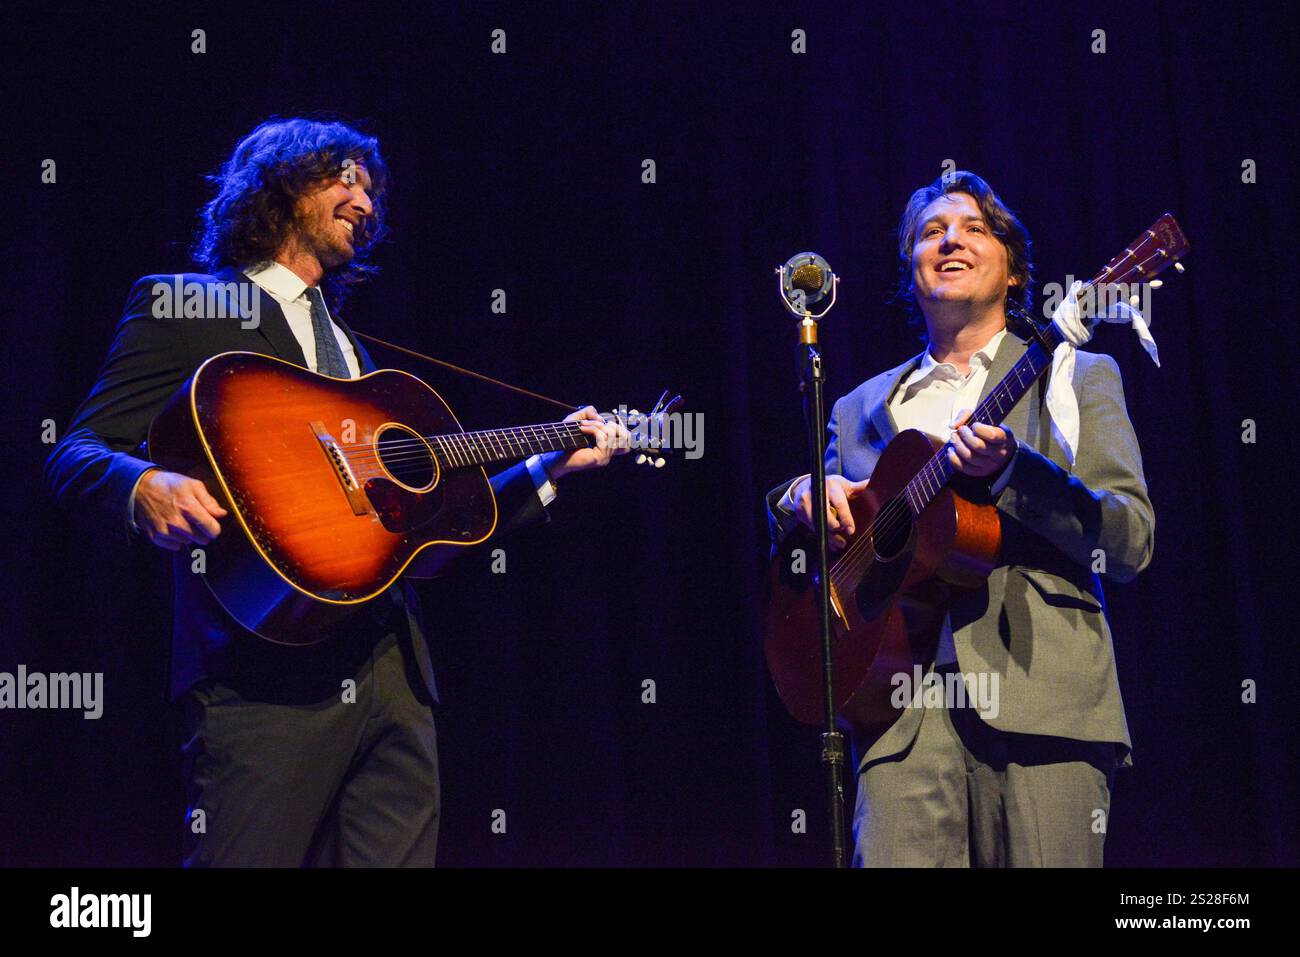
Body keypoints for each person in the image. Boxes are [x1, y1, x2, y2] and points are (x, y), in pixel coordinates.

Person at [44, 117, 627, 866]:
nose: (367, 202)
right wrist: (142, 483)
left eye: (373, 190)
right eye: (346, 178)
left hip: (393, 676)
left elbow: (433, 527)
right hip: (260, 675)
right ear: (281, 185)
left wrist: (552, 464)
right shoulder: (182, 306)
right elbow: (75, 450)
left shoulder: (357, 355)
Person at [766, 171, 1154, 867]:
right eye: (930, 232)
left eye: (974, 228)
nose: (950, 239)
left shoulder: (1074, 376)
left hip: (1043, 703)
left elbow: (1129, 540)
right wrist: (795, 495)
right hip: (896, 717)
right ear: (909, 275)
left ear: (1013, 272)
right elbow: (822, 548)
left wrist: (1016, 469)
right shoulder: (857, 407)